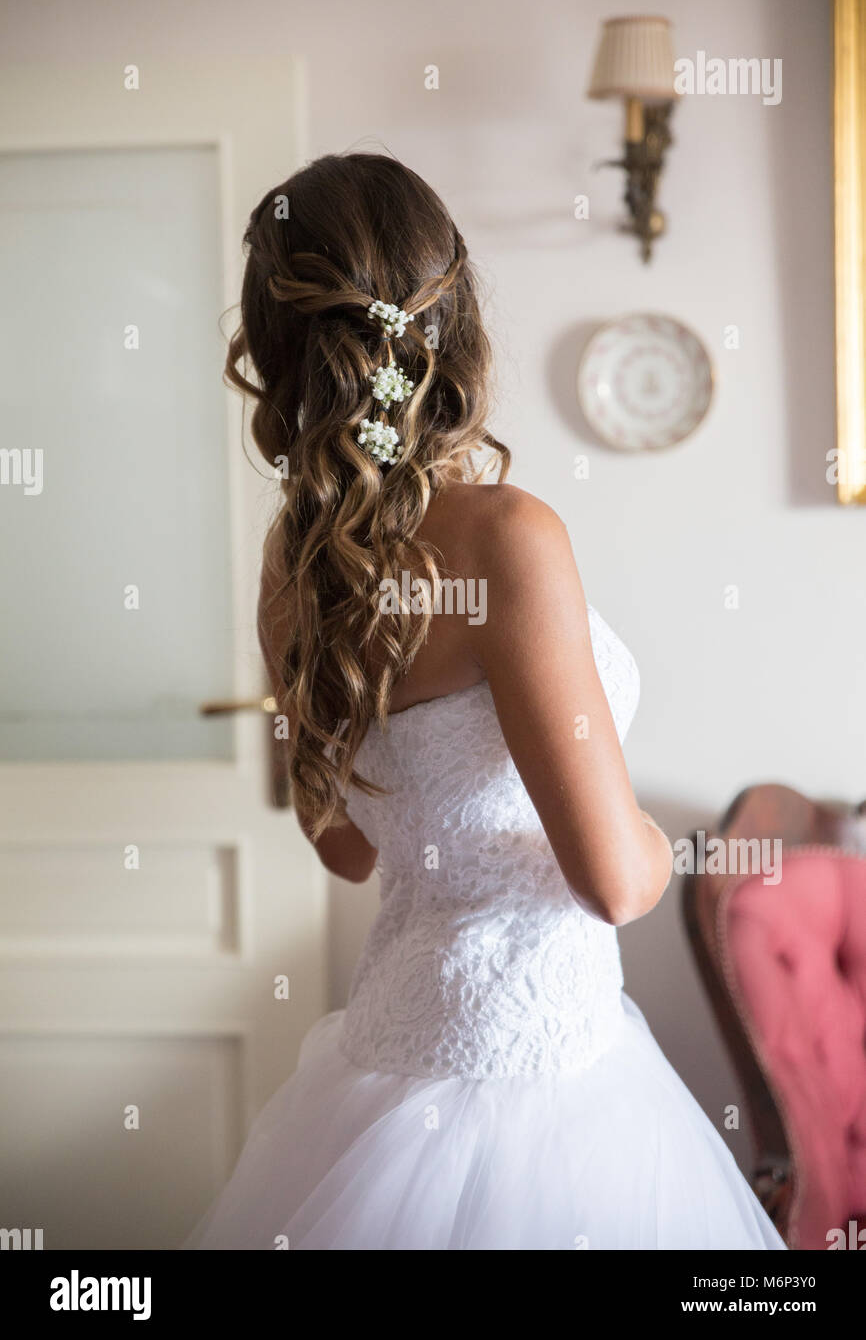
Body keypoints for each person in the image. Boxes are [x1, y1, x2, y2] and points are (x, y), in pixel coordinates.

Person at [184, 152, 785, 1251]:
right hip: (538, 1072)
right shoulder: (510, 536)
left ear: (278, 350)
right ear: (452, 315)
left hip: (389, 1049)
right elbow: (615, 883)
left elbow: (344, 851)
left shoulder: (294, 561)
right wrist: (653, 837)